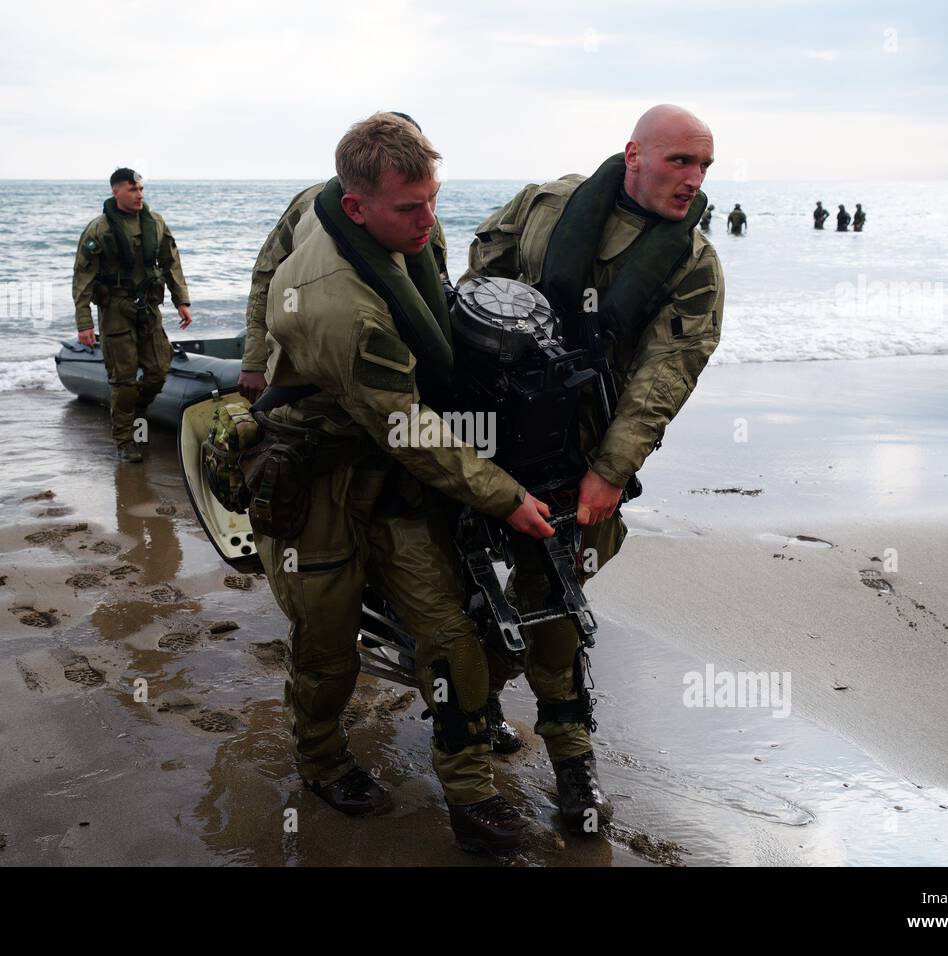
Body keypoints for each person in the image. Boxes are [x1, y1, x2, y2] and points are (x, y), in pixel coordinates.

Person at [255, 112, 557, 853]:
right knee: (327, 644)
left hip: (393, 467)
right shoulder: (337, 300)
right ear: (355, 205)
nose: (429, 220)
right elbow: (409, 427)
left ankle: (470, 789)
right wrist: (505, 497)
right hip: (319, 471)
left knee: (451, 631)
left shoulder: (412, 235)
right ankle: (322, 759)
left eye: (433, 200)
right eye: (409, 208)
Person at [464, 103, 724, 834]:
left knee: (555, 604)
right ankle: (473, 713)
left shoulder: (694, 264)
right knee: (461, 578)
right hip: (485, 428)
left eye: (705, 166)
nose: (694, 178)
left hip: (579, 453)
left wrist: (609, 472)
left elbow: (666, 376)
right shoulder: (546, 206)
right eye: (681, 161)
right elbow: (478, 286)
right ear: (633, 154)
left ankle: (573, 769)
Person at [238, 113, 447, 405]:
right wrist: (254, 362)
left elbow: (434, 284)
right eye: (407, 207)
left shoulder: (420, 217)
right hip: (322, 361)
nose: (427, 218)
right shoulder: (308, 206)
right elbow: (267, 276)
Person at [72, 168, 193, 462]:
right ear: (116, 191)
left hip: (148, 307)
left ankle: (131, 411)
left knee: (158, 370)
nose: (139, 195)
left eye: (141, 189)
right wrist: (84, 323)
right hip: (115, 310)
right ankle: (126, 440)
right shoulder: (99, 230)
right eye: (132, 189)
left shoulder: (155, 223)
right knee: (123, 380)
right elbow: (82, 278)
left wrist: (182, 301)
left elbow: (170, 262)